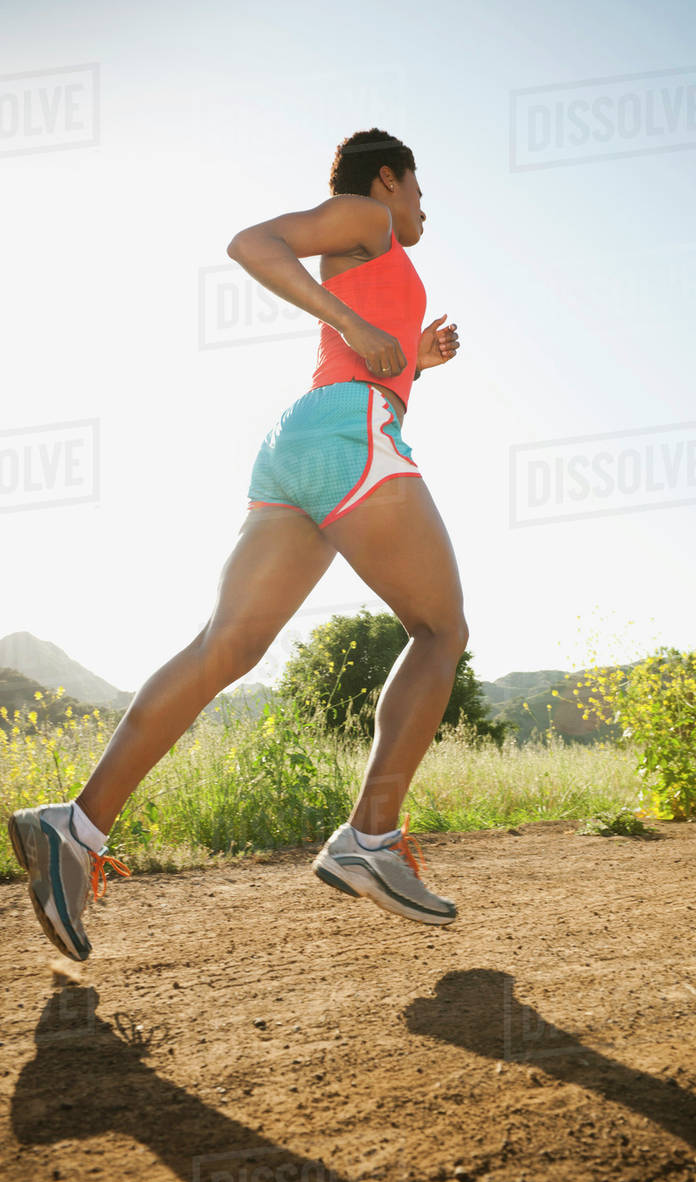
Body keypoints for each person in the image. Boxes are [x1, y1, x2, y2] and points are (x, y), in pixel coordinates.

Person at [7, 128, 467, 962]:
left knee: (226, 646)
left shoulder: (381, 253)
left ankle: (72, 828)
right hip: (348, 429)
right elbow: (253, 243)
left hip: (304, 442)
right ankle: (370, 836)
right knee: (441, 632)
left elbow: (368, 362)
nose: (424, 208)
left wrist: (415, 363)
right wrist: (357, 327)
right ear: (390, 181)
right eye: (420, 191)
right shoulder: (370, 215)